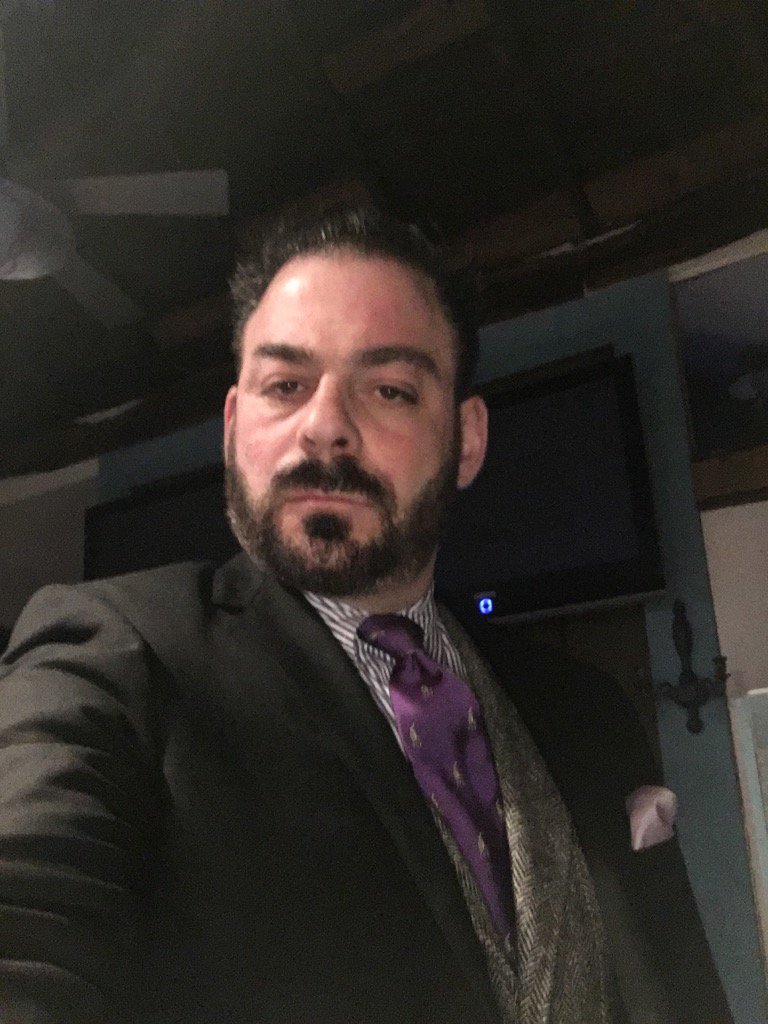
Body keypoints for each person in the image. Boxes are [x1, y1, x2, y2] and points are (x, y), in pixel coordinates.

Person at [0, 205, 732, 1024]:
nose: (324, 427)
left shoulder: (588, 709)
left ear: (466, 440)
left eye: (389, 390)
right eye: (285, 386)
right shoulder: (108, 656)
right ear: (235, 427)